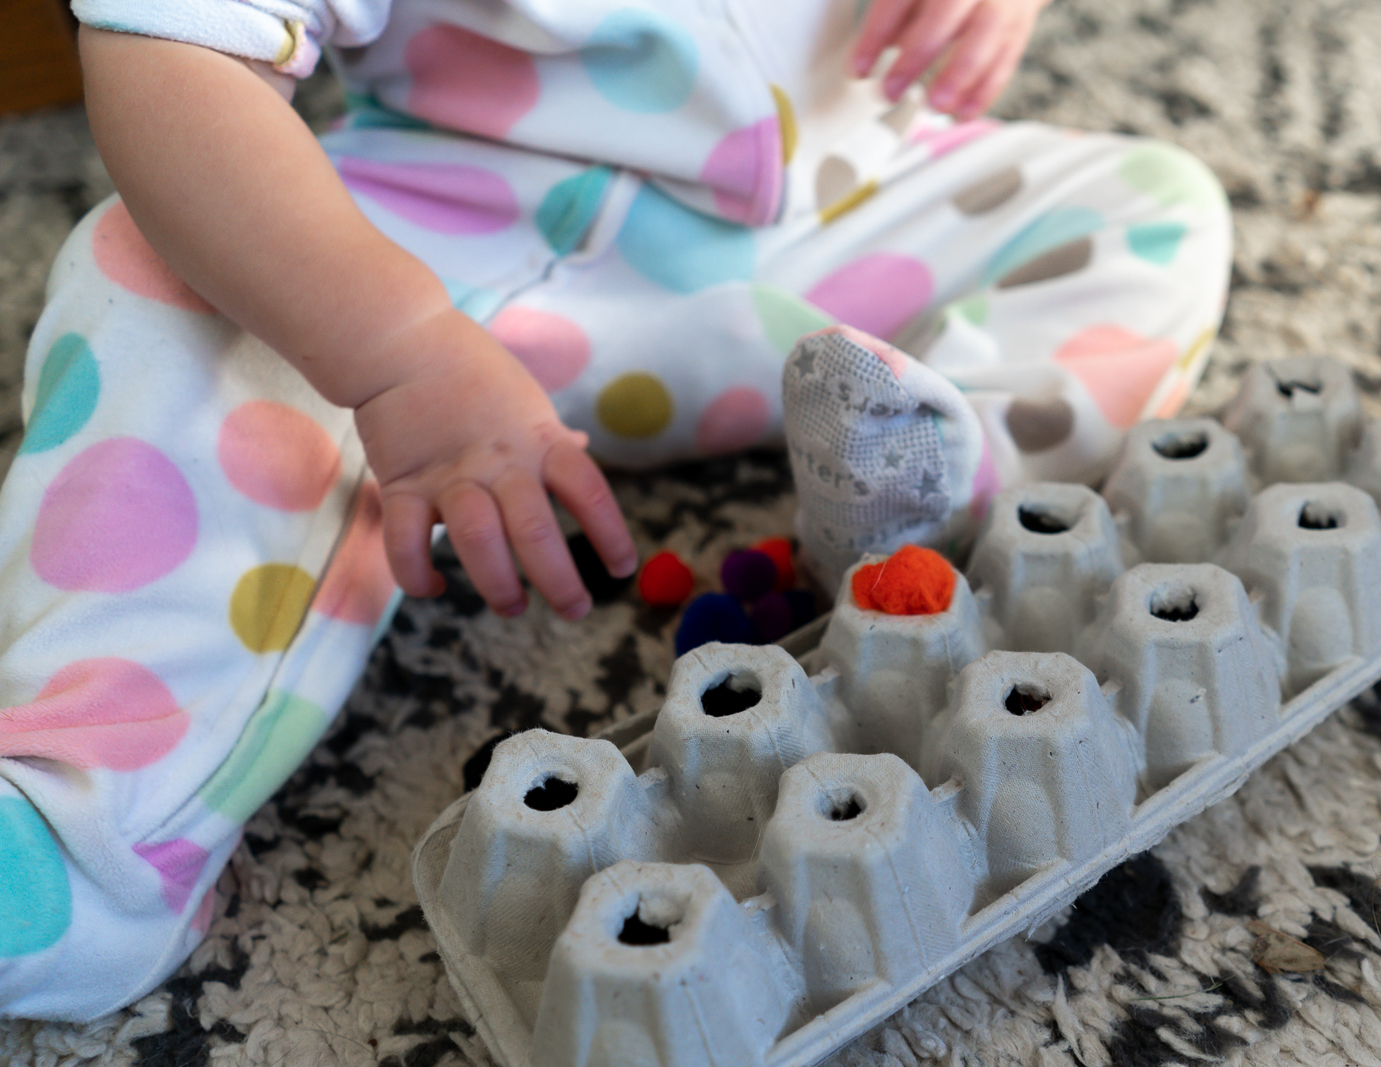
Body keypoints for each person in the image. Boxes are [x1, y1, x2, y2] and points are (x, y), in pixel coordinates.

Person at [0, 0, 1231, 1019]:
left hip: (841, 221)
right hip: (426, 253)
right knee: (153, 275)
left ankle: (917, 499)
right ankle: (84, 832)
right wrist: (394, 350)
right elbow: (175, 56)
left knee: (1152, 205)